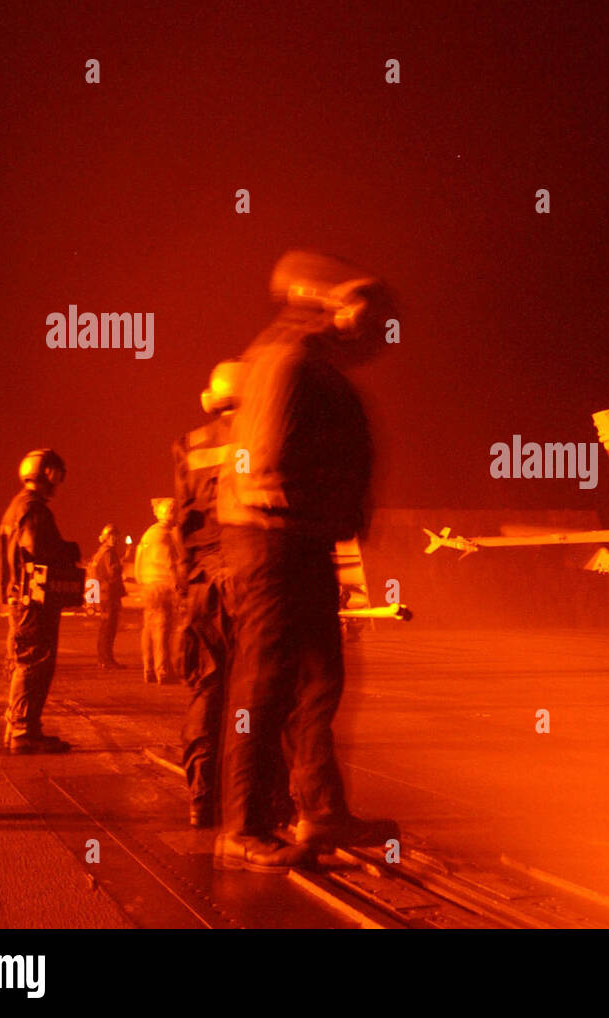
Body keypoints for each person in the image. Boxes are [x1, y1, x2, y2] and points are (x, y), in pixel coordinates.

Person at [213, 250, 397, 873]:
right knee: (264, 683)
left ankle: (320, 809)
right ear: (330, 304)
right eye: (363, 317)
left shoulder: (313, 365)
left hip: (306, 538)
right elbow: (262, 464)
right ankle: (240, 827)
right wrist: (296, 500)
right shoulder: (287, 359)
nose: (371, 336)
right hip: (274, 539)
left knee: (321, 678)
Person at [174, 360, 246, 829]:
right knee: (257, 692)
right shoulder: (261, 435)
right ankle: (259, 802)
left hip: (202, 582)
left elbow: (183, 519)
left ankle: (202, 796)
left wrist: (187, 581)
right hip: (247, 576)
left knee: (207, 685)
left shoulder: (189, 445)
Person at [0, 449, 81, 753]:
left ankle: (21, 727)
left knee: (26, 660)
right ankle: (24, 731)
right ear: (47, 473)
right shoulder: (33, 508)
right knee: (35, 661)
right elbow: (37, 547)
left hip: (21, 597)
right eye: (57, 473)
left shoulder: (17, 506)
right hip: (33, 599)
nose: (59, 480)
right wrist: (69, 550)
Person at [134, 498, 182, 684]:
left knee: (148, 628)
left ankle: (148, 669)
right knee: (162, 628)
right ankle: (163, 672)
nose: (175, 514)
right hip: (162, 585)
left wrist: (142, 580)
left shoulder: (149, 533)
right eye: (173, 511)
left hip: (148, 585)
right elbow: (170, 563)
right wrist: (177, 584)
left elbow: (139, 559)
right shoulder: (165, 535)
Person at [88, 525, 127, 669]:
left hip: (103, 594)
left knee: (105, 628)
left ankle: (103, 659)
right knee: (108, 629)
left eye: (116, 536)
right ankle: (107, 660)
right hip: (109, 595)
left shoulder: (99, 553)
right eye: (112, 536)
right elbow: (112, 573)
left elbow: (93, 575)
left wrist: (92, 599)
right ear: (106, 537)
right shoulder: (108, 553)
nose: (115, 539)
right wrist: (120, 566)